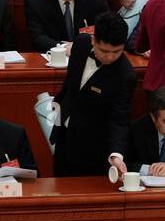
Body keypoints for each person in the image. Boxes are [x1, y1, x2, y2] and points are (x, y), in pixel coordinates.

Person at [51, 12, 136, 178]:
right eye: (104, 51)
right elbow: (70, 86)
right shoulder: (81, 44)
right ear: (93, 40)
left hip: (93, 147)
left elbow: (119, 119)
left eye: (116, 52)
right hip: (64, 133)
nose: (110, 57)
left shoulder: (125, 75)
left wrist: (116, 155)